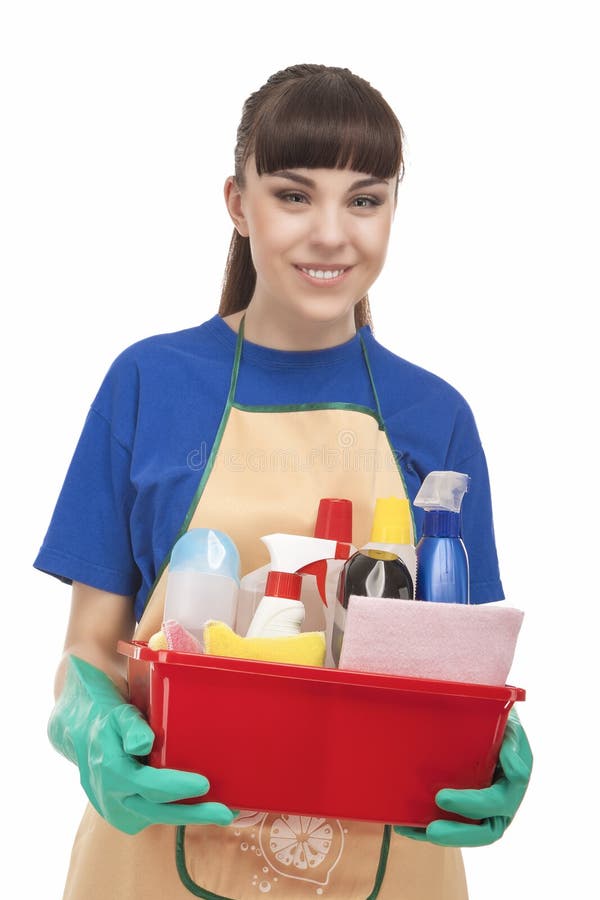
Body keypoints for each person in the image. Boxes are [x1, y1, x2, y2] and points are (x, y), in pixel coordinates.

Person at [35, 63, 532, 900]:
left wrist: (498, 745)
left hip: (385, 864)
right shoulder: (150, 383)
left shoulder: (434, 415)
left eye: (365, 199)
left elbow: (461, 667)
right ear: (238, 203)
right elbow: (88, 646)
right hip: (159, 854)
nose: (332, 234)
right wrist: (89, 727)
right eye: (294, 195)